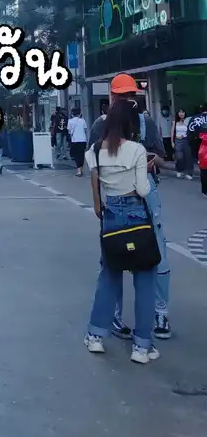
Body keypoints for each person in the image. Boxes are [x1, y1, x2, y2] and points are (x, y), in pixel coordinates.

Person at [87, 73, 172, 341]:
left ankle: (160, 312)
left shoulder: (146, 122)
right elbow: (94, 165)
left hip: (144, 194)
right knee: (115, 256)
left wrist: (151, 161)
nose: (127, 100)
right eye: (122, 95)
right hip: (118, 195)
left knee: (155, 253)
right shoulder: (101, 126)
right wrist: (98, 201)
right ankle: (118, 318)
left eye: (130, 95)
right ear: (112, 96)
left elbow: (161, 157)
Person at [84, 100, 159, 364]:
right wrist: (147, 170)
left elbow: (95, 186)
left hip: (112, 215)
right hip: (137, 215)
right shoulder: (137, 150)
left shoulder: (95, 151)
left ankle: (95, 336)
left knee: (109, 275)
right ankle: (142, 346)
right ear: (130, 124)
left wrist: (99, 206)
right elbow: (143, 190)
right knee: (145, 277)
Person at [172, 109, 192, 180]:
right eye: (180, 112)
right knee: (179, 157)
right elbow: (172, 132)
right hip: (177, 140)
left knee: (188, 157)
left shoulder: (188, 121)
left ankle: (189, 173)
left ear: (185, 113)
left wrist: (185, 135)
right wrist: (172, 141)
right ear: (177, 113)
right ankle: (179, 170)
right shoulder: (175, 122)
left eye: (182, 112)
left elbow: (190, 130)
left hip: (186, 140)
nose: (181, 114)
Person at [67, 109, 88, 177]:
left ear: (72, 114)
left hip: (75, 140)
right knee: (81, 155)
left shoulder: (70, 121)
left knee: (76, 156)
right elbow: (85, 130)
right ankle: (80, 170)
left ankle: (79, 171)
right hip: (83, 140)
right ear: (79, 113)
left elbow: (69, 132)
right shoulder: (83, 120)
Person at [198, 132, 207, 196]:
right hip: (204, 157)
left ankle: (204, 191)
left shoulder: (202, 136)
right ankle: (204, 190)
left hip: (203, 157)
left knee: (204, 174)